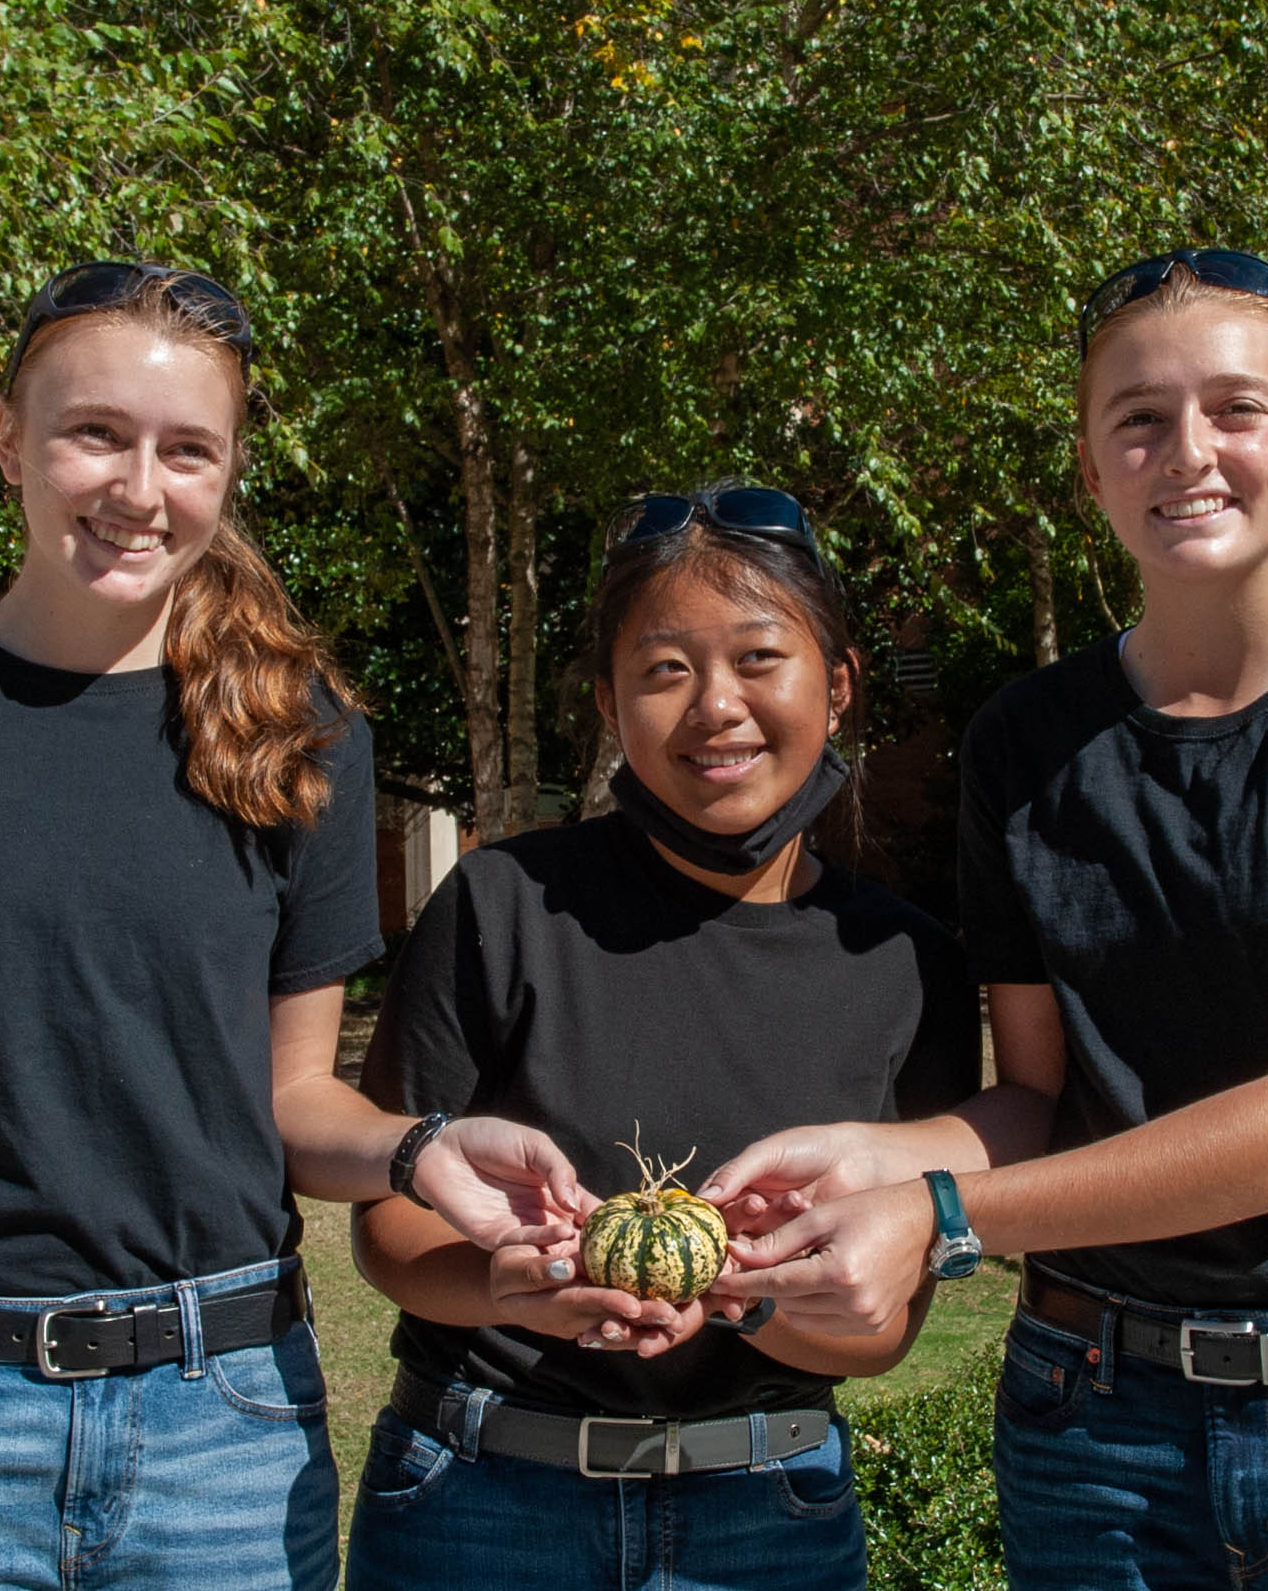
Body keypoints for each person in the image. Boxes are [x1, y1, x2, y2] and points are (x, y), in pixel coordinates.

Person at [0, 261, 580, 1591]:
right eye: (94, 435)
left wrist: (421, 1149)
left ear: (229, 471)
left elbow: (290, 1097)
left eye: (188, 450)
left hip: (222, 1441)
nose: (138, 489)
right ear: (6, 435)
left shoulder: (304, 743)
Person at [707, 250, 1268, 1589]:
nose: (1186, 452)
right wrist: (860, 1157)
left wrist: (943, 1216)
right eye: (1138, 421)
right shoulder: (1024, 743)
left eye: (1235, 408)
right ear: (1093, 471)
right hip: (1094, 1423)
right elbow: (1040, 1094)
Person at [345, 485, 985, 1591]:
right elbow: (388, 1233)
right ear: (608, 700)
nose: (714, 706)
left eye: (757, 658)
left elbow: (884, 1326)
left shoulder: (906, 961)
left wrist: (753, 1297)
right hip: (480, 1497)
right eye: (664, 669)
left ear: (836, 686)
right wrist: (507, 1287)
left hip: (766, 1514)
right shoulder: (501, 904)